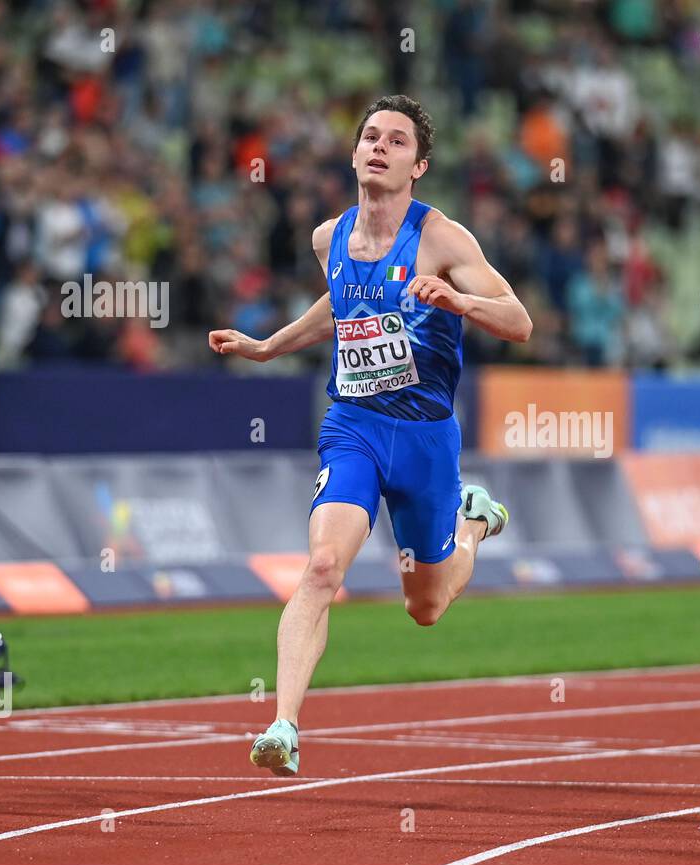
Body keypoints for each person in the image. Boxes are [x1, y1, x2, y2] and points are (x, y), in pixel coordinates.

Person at [210, 94, 532, 776]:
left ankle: (473, 523)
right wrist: (269, 347)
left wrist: (459, 300)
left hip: (426, 442)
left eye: (397, 141)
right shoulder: (329, 238)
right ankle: (283, 725)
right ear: (355, 153)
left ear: (419, 165)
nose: (380, 147)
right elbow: (341, 302)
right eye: (370, 137)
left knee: (426, 606)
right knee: (324, 567)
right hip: (353, 427)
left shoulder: (442, 238)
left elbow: (520, 321)